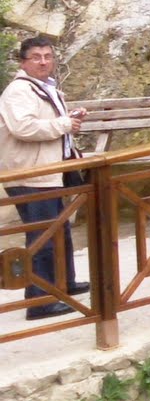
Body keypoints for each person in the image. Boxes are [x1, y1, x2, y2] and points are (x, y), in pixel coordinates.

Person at [0, 37, 88, 319]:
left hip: (49, 171)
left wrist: (69, 118)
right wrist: (64, 123)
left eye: (48, 56)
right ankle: (39, 302)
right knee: (42, 237)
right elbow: (23, 127)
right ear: (24, 62)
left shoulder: (44, 88)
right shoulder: (19, 91)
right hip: (30, 173)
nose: (43, 62)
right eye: (36, 57)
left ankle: (64, 284)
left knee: (58, 231)